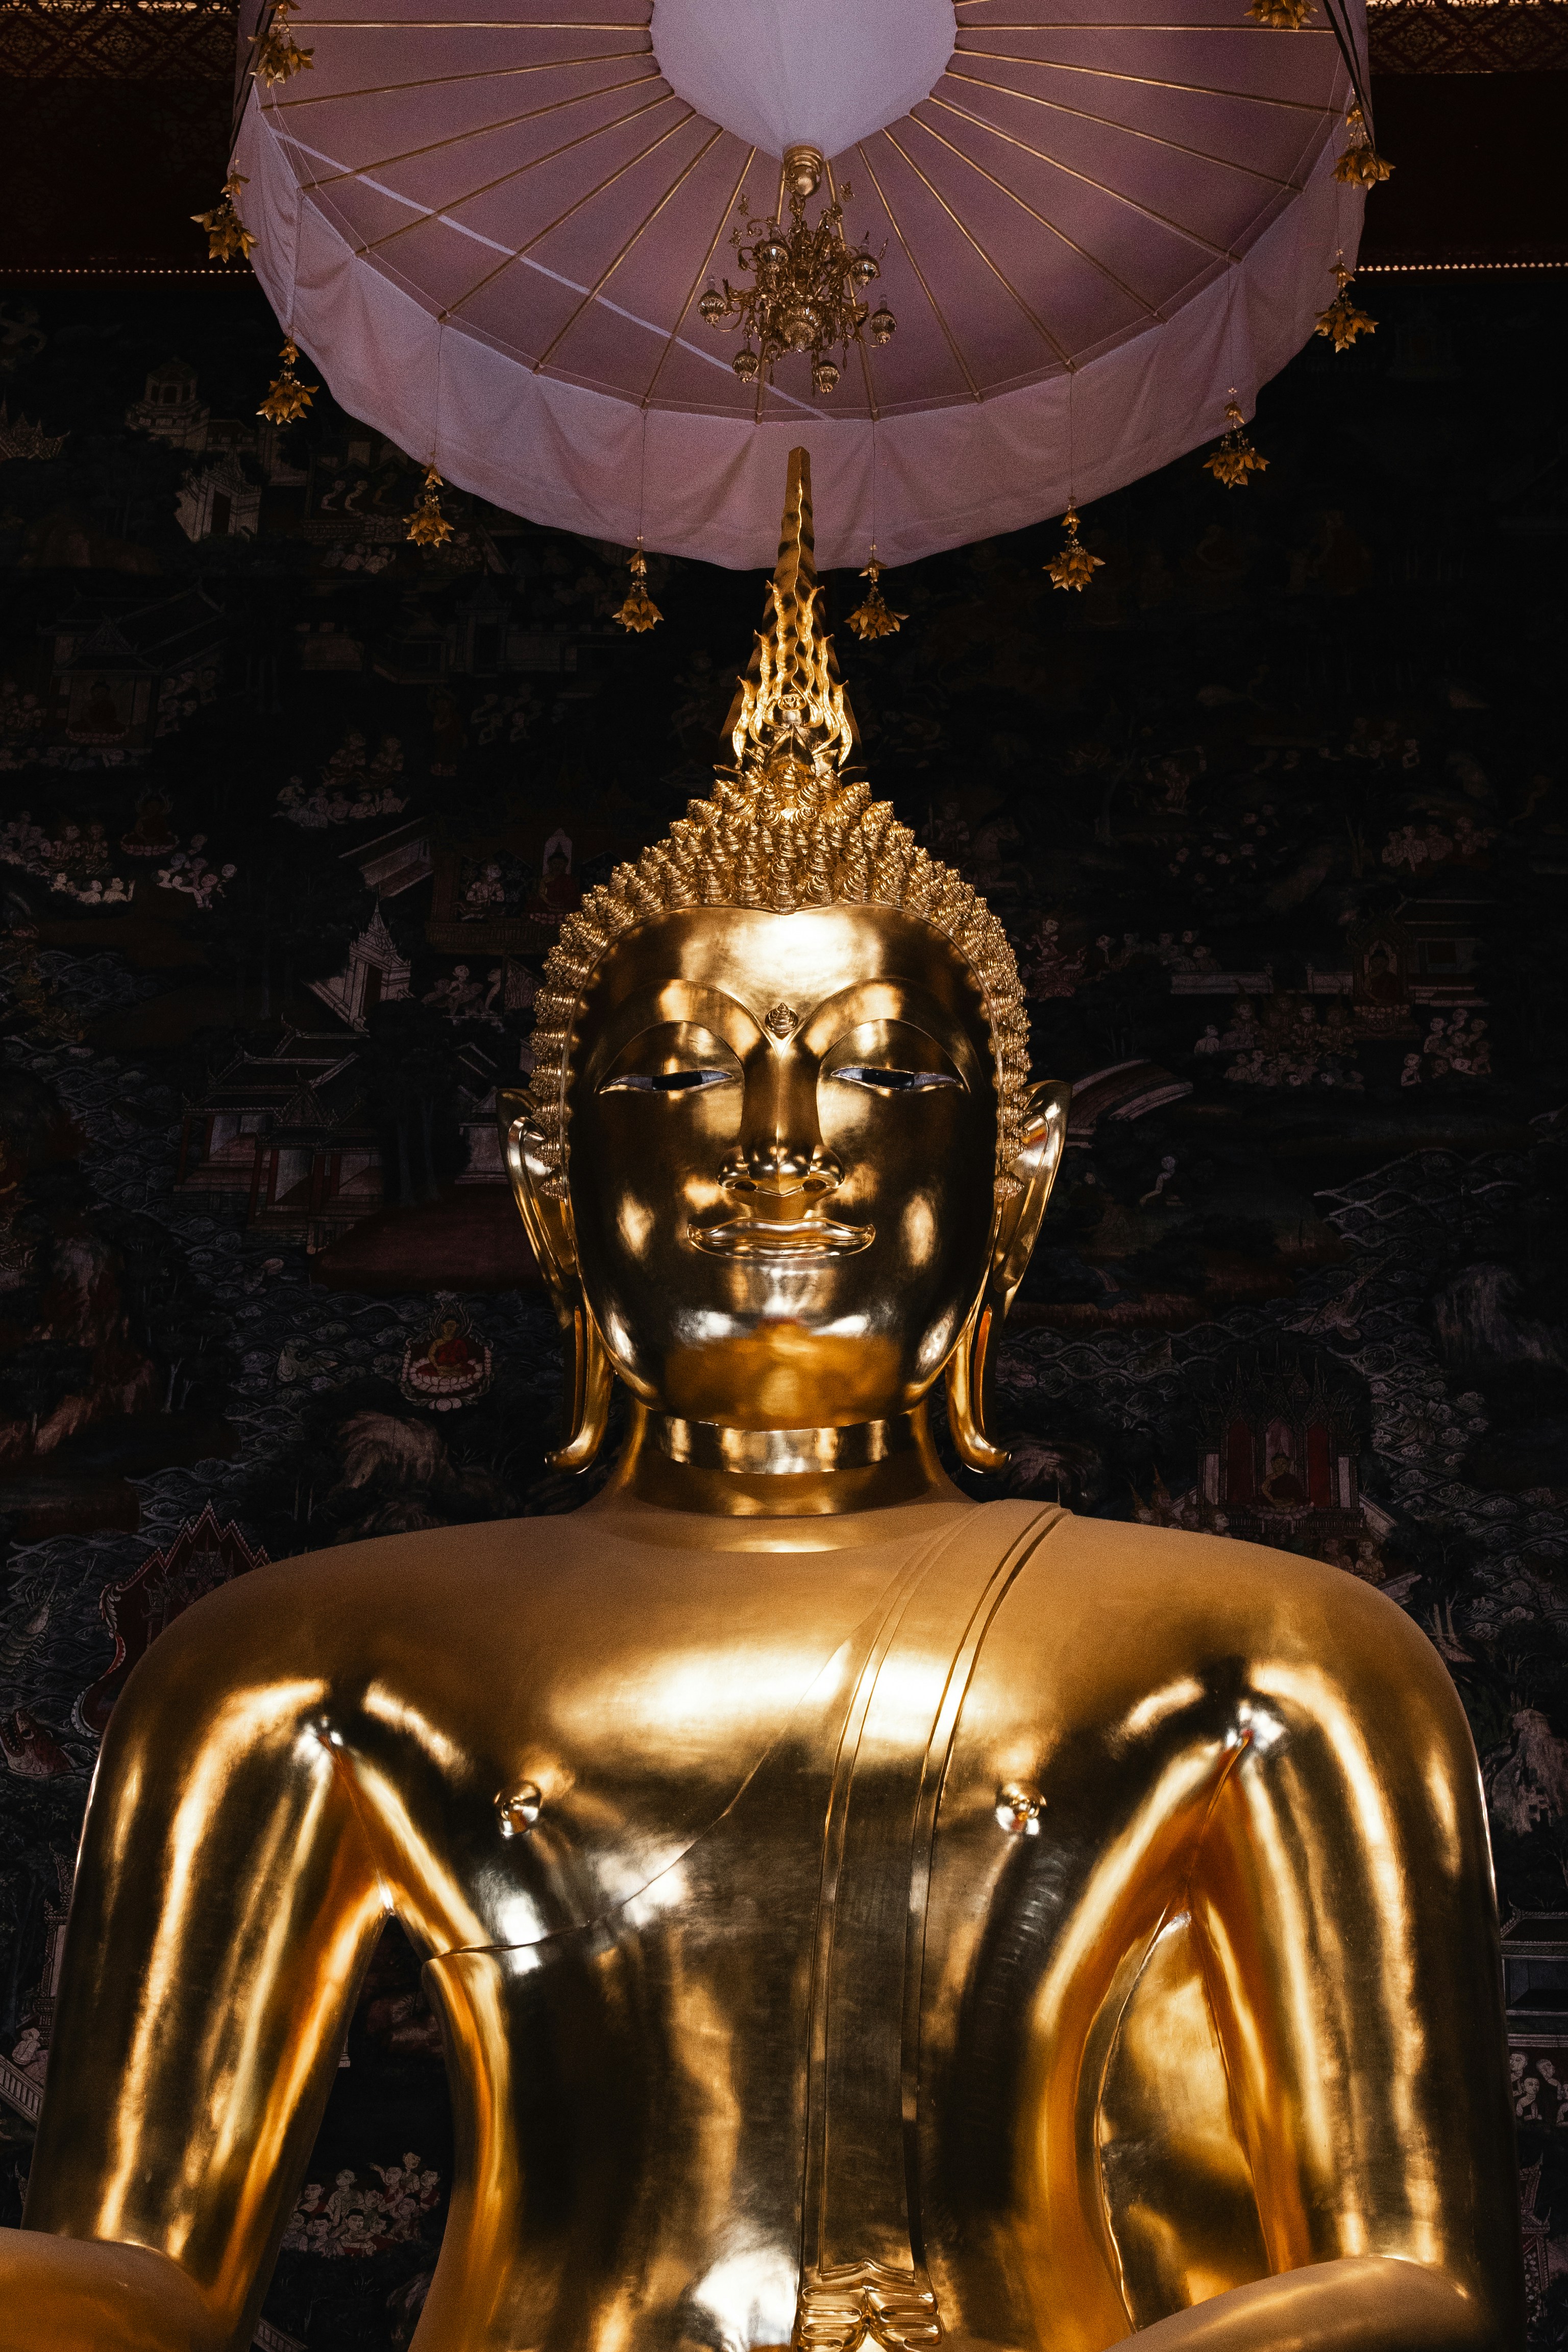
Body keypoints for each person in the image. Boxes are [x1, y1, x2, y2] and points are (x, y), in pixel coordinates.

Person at [1, 456, 1520, 2352]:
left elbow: (1420, 2290)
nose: (782, 1154)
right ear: (553, 1191)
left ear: (1017, 1186)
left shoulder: (1273, 1653)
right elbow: (137, 2277)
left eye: (878, 1081)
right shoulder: (302, 1663)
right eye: (693, 1080)